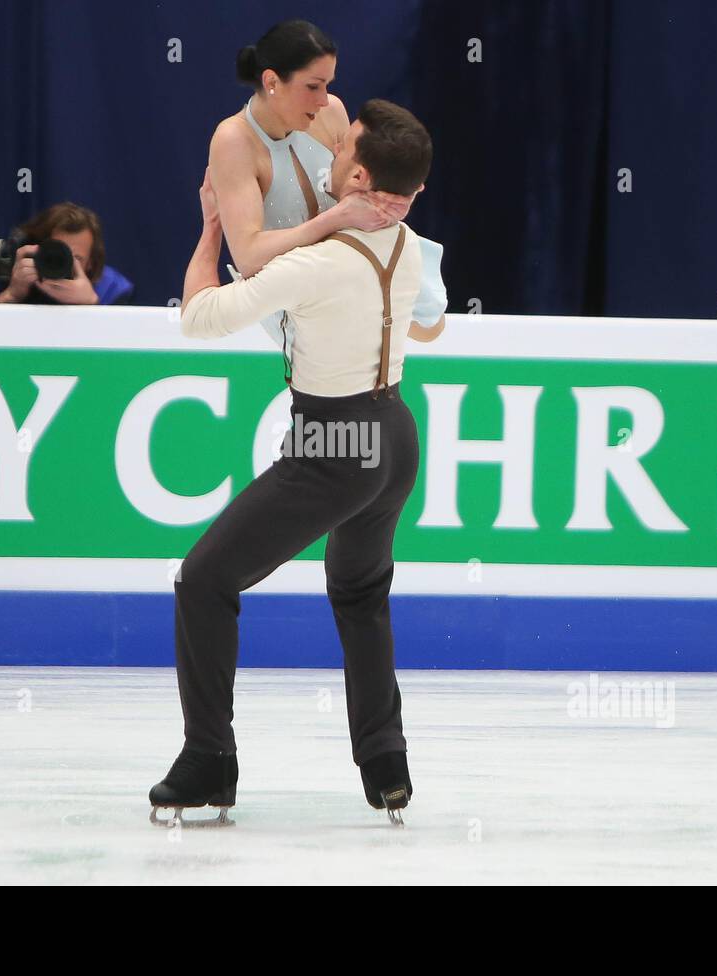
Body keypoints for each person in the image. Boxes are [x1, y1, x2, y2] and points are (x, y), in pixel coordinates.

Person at [149, 98, 437, 828]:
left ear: (359, 173)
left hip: (334, 443)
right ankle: (387, 768)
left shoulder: (316, 263)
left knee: (205, 578)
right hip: (396, 436)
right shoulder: (410, 247)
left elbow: (198, 318)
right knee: (361, 596)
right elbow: (431, 320)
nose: (332, 148)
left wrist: (213, 228)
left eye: (345, 148)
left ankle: (207, 760)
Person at [208, 19, 446, 381]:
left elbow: (361, 181)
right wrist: (334, 219)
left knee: (432, 318)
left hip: (350, 266)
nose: (324, 100)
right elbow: (248, 255)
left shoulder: (330, 111)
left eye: (328, 86)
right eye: (313, 87)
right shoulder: (234, 140)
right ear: (272, 82)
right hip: (299, 300)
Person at [0, 201, 133, 305]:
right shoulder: (10, 276)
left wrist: (91, 305)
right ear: (33, 250)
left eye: (76, 258)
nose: (63, 263)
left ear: (91, 263)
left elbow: (118, 342)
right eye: (56, 254)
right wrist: (10, 296)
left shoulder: (112, 289)